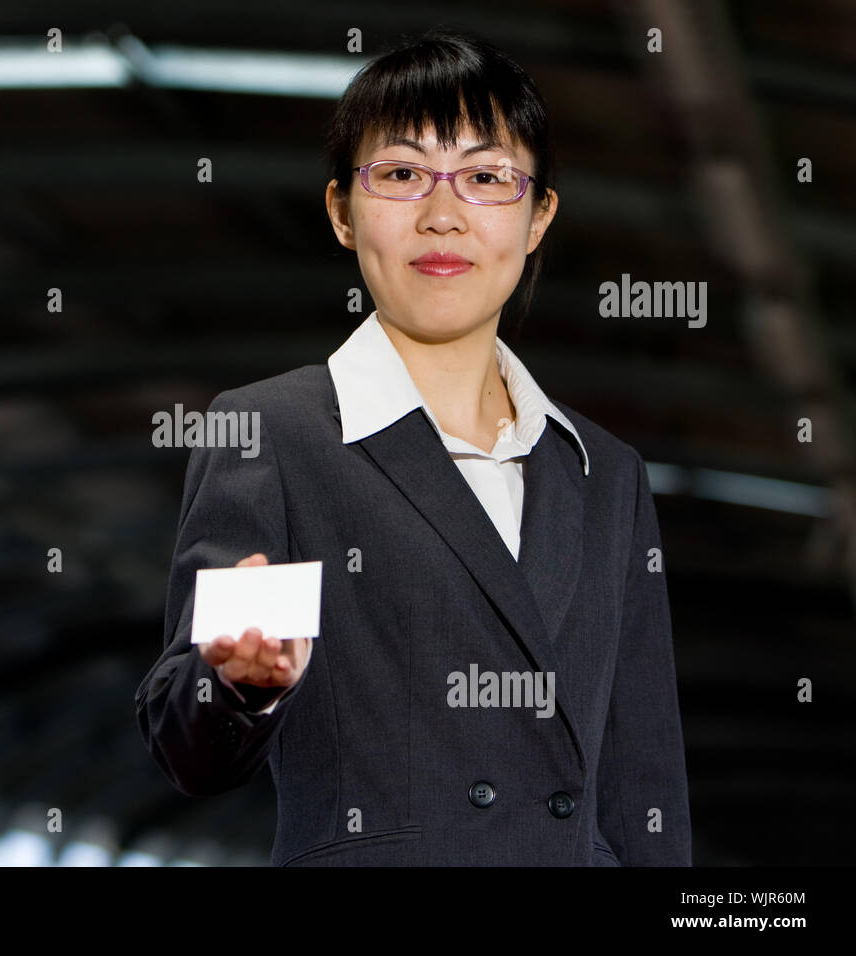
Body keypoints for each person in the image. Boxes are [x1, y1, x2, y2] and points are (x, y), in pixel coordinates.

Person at [135, 29, 692, 866]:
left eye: (486, 177)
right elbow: (187, 742)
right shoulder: (272, 434)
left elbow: (644, 782)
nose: (442, 215)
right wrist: (238, 685)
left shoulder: (605, 472)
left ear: (538, 217)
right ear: (341, 212)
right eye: (399, 175)